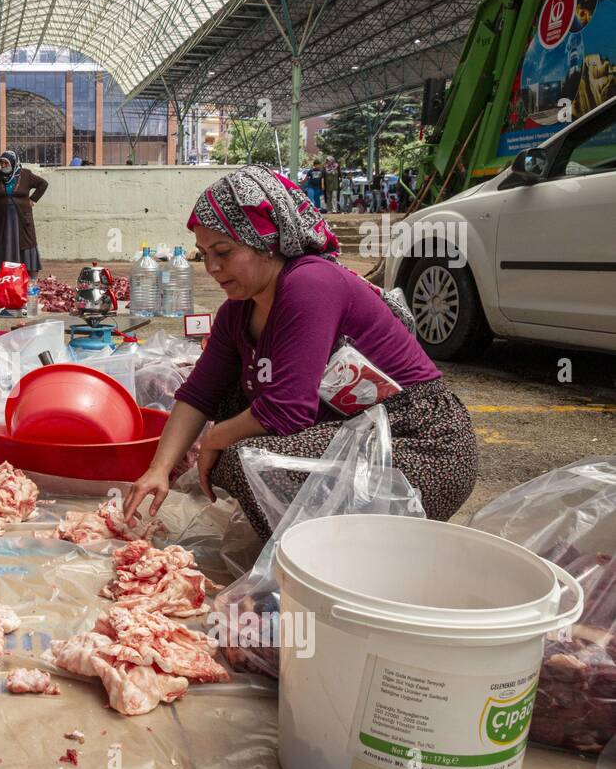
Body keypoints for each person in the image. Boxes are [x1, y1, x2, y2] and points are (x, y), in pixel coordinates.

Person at [123, 166, 476, 540]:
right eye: (205, 254)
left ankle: (317, 553)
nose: (211, 267)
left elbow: (286, 410)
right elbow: (199, 393)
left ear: (267, 241)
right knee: (227, 420)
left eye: (224, 252)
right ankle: (311, 545)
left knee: (246, 461)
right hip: (354, 434)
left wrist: (211, 439)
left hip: (418, 444)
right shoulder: (237, 311)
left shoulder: (310, 282)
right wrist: (159, 469)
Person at [0, 150, 48, 275]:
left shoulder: (26, 175)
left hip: (21, 220)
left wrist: (33, 200)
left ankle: (26, 276)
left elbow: (43, 184)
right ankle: (4, 274)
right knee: (2, 242)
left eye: (6, 163)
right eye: (1, 162)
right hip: (1, 219)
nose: (3, 165)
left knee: (25, 242)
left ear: (13, 163)